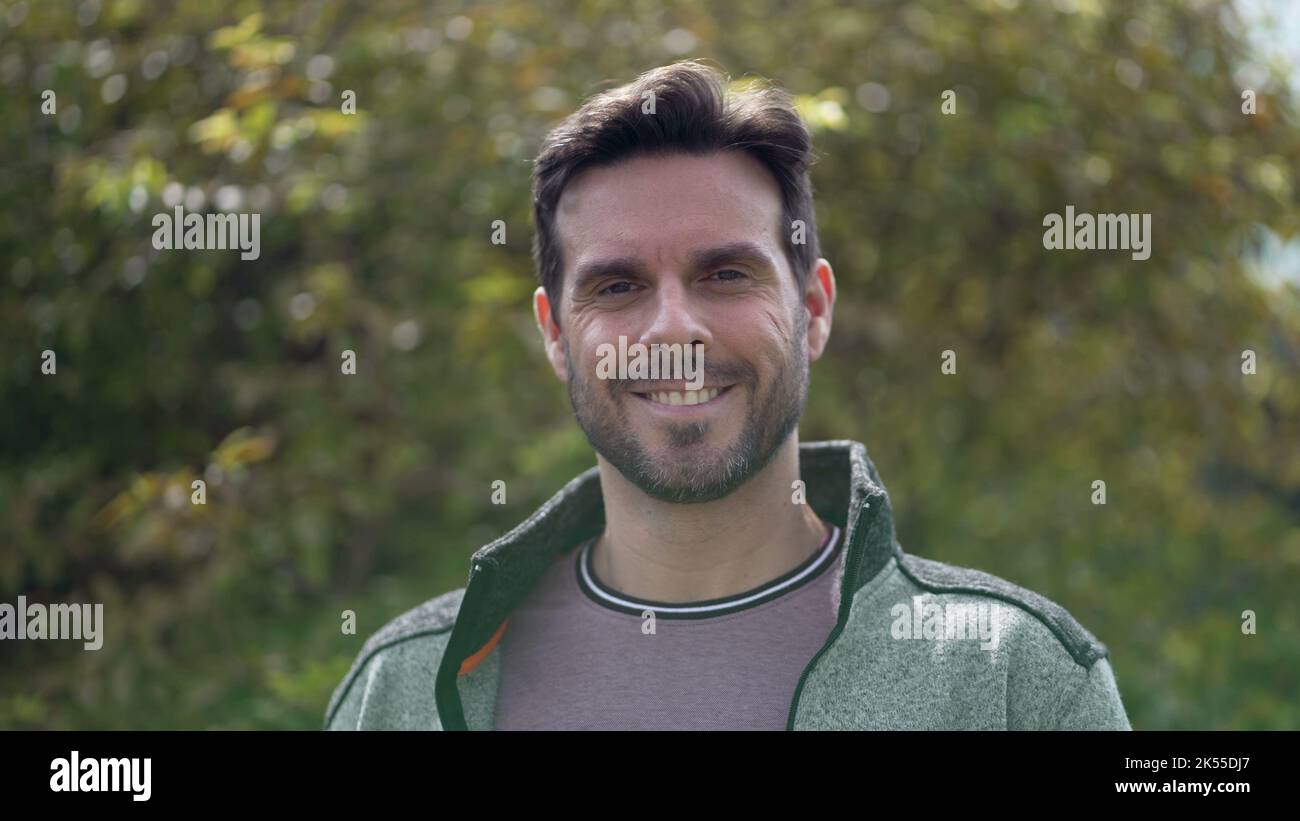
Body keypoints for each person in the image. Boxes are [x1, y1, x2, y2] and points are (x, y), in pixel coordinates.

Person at [325, 59, 1131, 730]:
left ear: (813, 309)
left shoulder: (1013, 678)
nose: (673, 329)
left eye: (725, 274)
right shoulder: (401, 689)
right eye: (617, 285)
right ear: (556, 335)